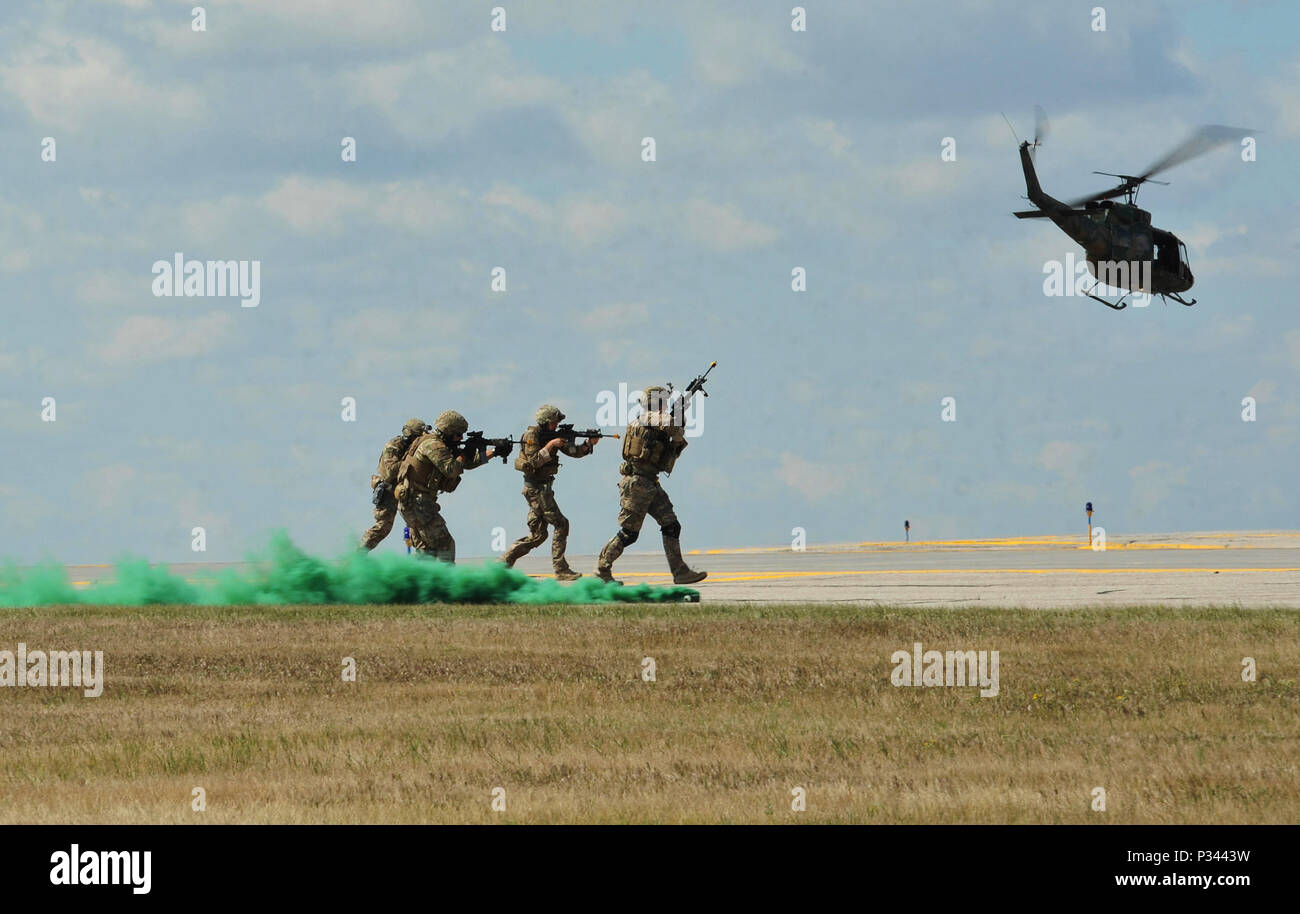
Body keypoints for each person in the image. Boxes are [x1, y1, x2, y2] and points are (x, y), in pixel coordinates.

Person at [595, 386, 706, 585]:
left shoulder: (654, 420)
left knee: (671, 525)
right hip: (637, 484)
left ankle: (680, 572)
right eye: (664, 401)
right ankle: (601, 570)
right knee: (629, 533)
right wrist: (678, 413)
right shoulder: (647, 417)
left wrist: (681, 414)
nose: (666, 404)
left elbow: (674, 433)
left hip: (650, 483)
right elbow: (670, 425)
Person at [501, 404, 595, 580]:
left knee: (538, 535)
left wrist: (588, 444)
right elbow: (533, 461)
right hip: (536, 488)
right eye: (554, 422)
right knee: (561, 524)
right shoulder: (532, 435)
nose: (556, 425)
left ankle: (503, 563)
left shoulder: (553, 436)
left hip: (541, 488)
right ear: (545, 422)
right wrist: (551, 444)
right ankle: (561, 570)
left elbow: (573, 452)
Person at [394, 410, 499, 563]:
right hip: (418, 504)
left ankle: (414, 583)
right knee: (445, 544)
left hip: (414, 503)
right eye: (458, 435)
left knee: (426, 552)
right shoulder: (433, 445)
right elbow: (452, 469)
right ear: (448, 432)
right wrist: (466, 451)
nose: (461, 438)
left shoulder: (439, 443)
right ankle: (448, 582)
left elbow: (467, 464)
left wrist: (494, 452)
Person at [360, 418, 428, 550]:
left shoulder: (413, 448)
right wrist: (412, 463)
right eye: (418, 436)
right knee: (383, 527)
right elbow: (390, 470)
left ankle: (422, 560)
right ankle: (359, 553)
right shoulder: (394, 445)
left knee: (417, 526)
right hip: (388, 490)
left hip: (404, 491)